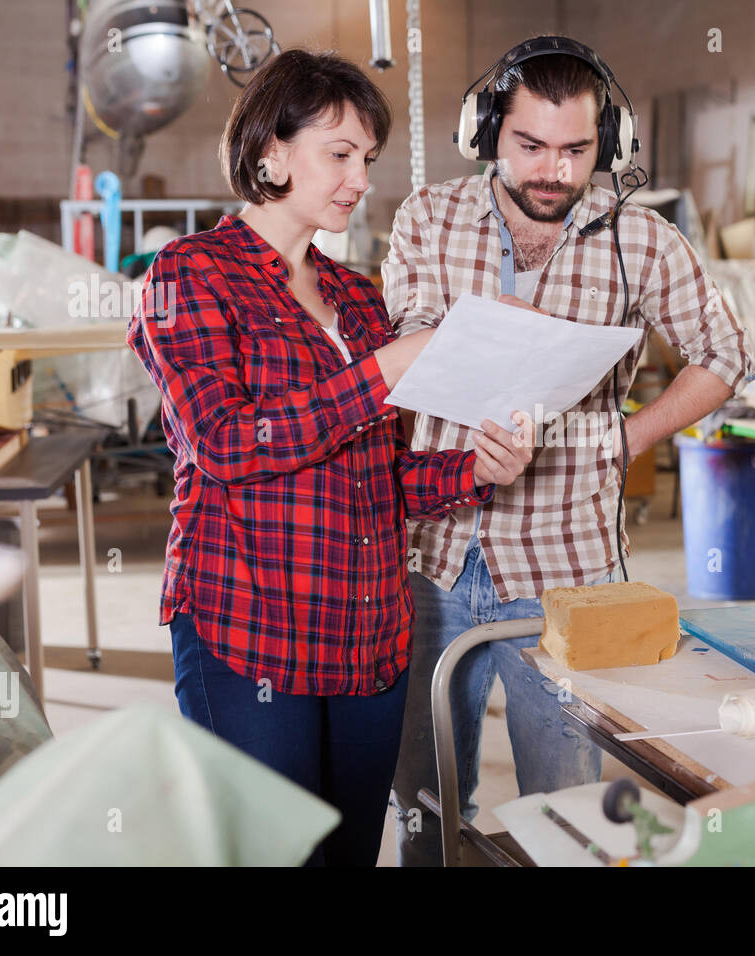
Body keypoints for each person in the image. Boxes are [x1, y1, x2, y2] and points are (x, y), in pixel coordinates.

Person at [126, 49, 533, 866]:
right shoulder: (188, 276)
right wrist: (379, 371)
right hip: (251, 627)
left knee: (347, 853)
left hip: (366, 636)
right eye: (339, 154)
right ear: (270, 151)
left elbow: (372, 476)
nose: (359, 179)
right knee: (268, 853)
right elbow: (225, 443)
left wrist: (476, 471)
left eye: (368, 160)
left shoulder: (355, 296)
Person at [384, 35, 755, 866]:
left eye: (576, 150)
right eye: (530, 146)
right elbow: (405, 350)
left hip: (569, 570)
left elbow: (727, 356)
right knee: (424, 806)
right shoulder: (427, 219)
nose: (552, 171)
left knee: (568, 814)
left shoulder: (644, 240)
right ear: (488, 133)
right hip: (432, 556)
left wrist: (629, 437)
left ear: (609, 143)